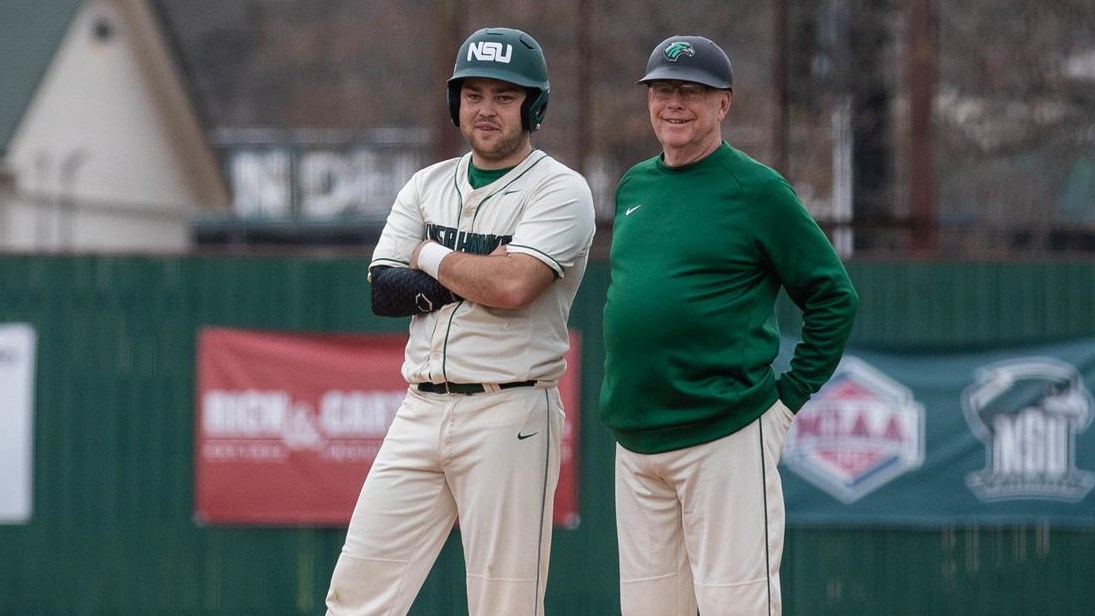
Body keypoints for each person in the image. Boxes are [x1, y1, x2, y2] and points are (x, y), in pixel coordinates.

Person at [324, 27, 596, 616]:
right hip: (420, 408)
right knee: (355, 597)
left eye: (504, 95)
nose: (486, 109)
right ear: (456, 102)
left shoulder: (560, 189)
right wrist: (465, 273)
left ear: (534, 106)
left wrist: (425, 254)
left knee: (504, 606)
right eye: (473, 94)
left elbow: (513, 286)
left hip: (510, 409)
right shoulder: (426, 183)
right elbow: (383, 292)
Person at [599, 35, 859, 616]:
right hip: (637, 444)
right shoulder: (634, 186)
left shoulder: (757, 189)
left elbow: (833, 295)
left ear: (724, 104)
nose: (674, 103)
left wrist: (788, 399)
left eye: (692, 92)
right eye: (663, 89)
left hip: (724, 436)